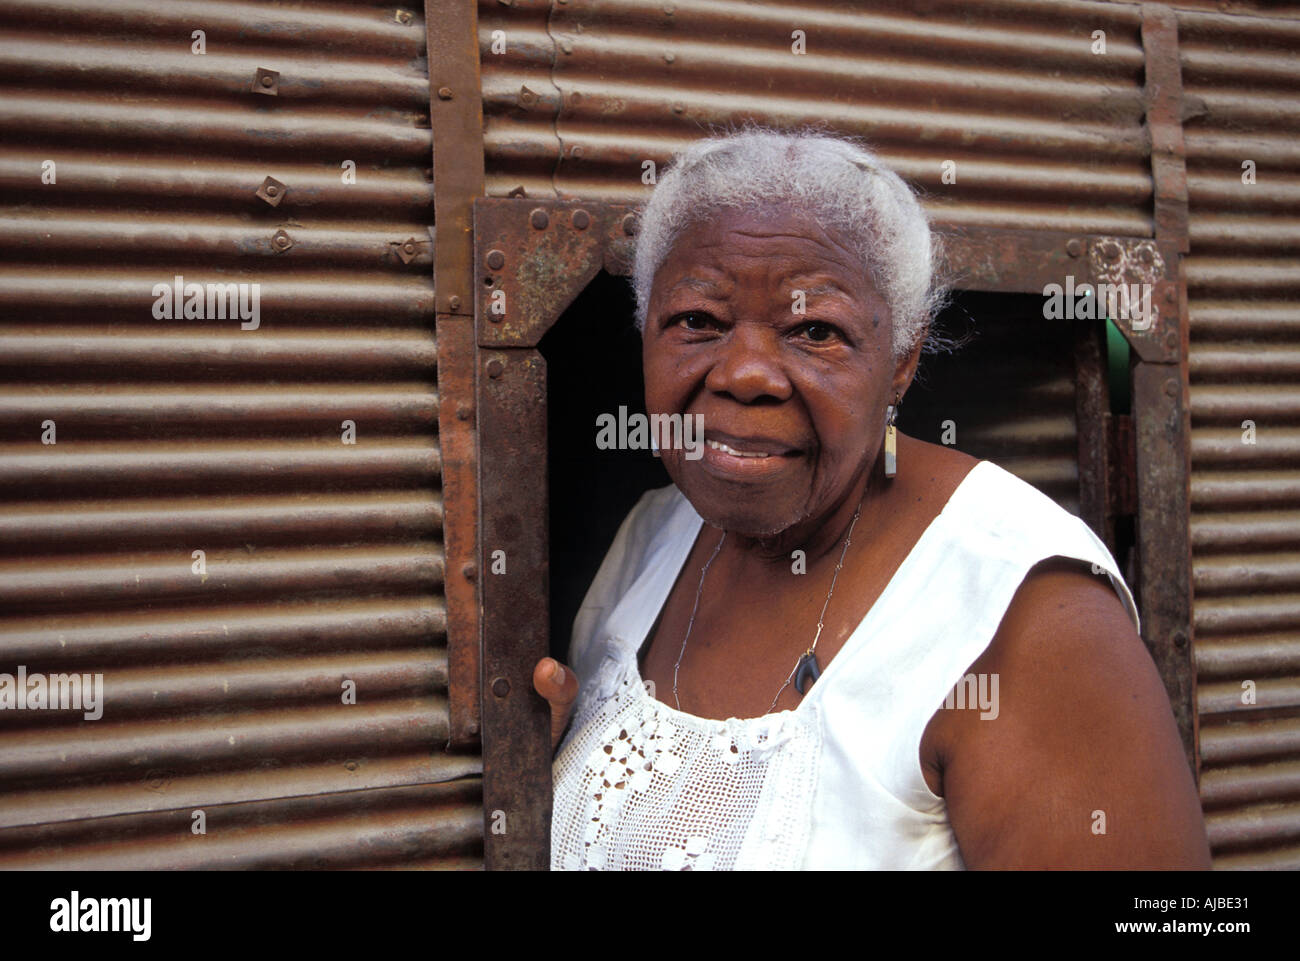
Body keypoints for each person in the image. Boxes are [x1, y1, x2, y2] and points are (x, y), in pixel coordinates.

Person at [532, 127, 1211, 870]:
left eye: (814, 329)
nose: (746, 373)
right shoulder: (653, 538)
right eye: (697, 320)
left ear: (902, 360)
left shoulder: (1026, 613)